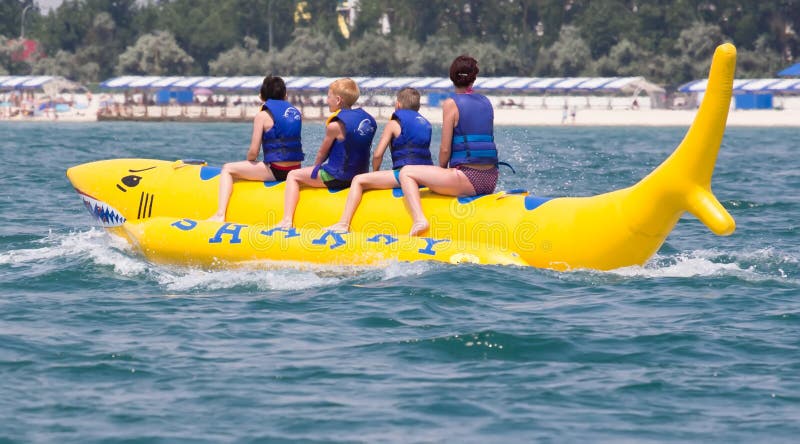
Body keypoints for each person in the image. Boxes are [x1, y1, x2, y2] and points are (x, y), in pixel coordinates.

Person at [398, 55, 500, 236]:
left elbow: (445, 149)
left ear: (452, 77)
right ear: (473, 78)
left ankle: (420, 220)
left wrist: (440, 174)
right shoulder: (486, 102)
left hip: (467, 179)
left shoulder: (451, 103)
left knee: (406, 172)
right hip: (491, 179)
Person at [327, 87, 432, 232]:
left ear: (398, 105)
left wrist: (375, 172)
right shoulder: (426, 123)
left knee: (358, 180)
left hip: (406, 174)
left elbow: (377, 154)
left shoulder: (394, 123)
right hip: (427, 174)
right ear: (418, 106)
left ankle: (344, 224)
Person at [276, 78, 377, 229]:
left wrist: (314, 170)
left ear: (338, 100)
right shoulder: (369, 120)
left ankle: (287, 220)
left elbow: (322, 154)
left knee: (293, 176)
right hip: (358, 176)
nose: (326, 100)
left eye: (328, 96)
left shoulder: (335, 125)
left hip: (337, 177)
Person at [208, 76, 303, 222]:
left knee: (227, 168)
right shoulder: (296, 113)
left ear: (262, 96)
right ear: (285, 95)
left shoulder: (262, 116)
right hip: (295, 169)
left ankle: (220, 214)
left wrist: (251, 162)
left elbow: (254, 151)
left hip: (276, 170)